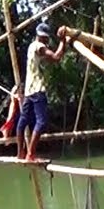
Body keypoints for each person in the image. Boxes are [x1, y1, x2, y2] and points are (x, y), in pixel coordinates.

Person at [17, 22, 67, 161]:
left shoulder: (31, 47)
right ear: (41, 37)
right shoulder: (40, 47)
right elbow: (56, 57)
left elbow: (49, 59)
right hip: (37, 90)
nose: (45, 40)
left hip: (29, 90)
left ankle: (20, 153)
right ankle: (30, 154)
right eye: (45, 38)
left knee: (23, 120)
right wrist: (63, 40)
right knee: (41, 121)